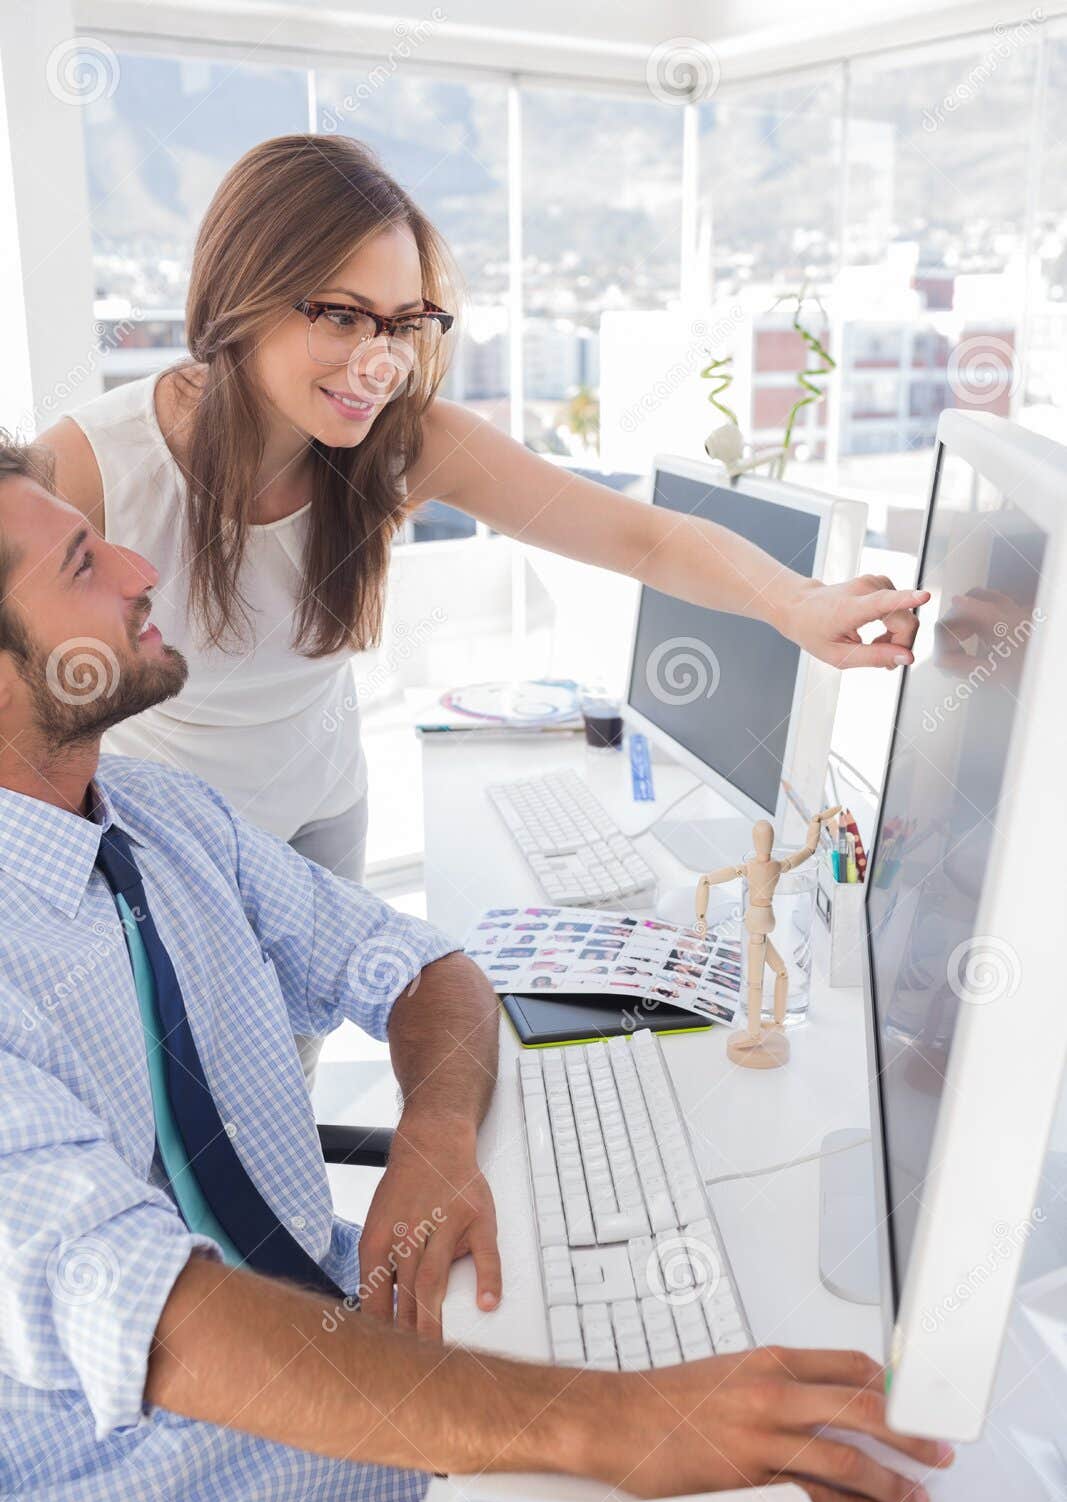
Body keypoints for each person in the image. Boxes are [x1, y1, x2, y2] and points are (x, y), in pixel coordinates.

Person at [0, 441, 951, 1502]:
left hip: (378, 1380)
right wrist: (620, 1423)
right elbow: (161, 1323)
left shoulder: (158, 814)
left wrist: (436, 1135)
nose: (144, 568)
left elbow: (419, 963)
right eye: (85, 563)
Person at [39, 133, 929, 1086]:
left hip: (318, 809)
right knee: (181, 1096)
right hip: (169, 833)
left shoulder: (399, 442)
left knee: (282, 1091)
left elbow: (642, 537)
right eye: (340, 316)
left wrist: (796, 603)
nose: (378, 362)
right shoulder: (94, 464)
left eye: (404, 323)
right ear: (238, 298)